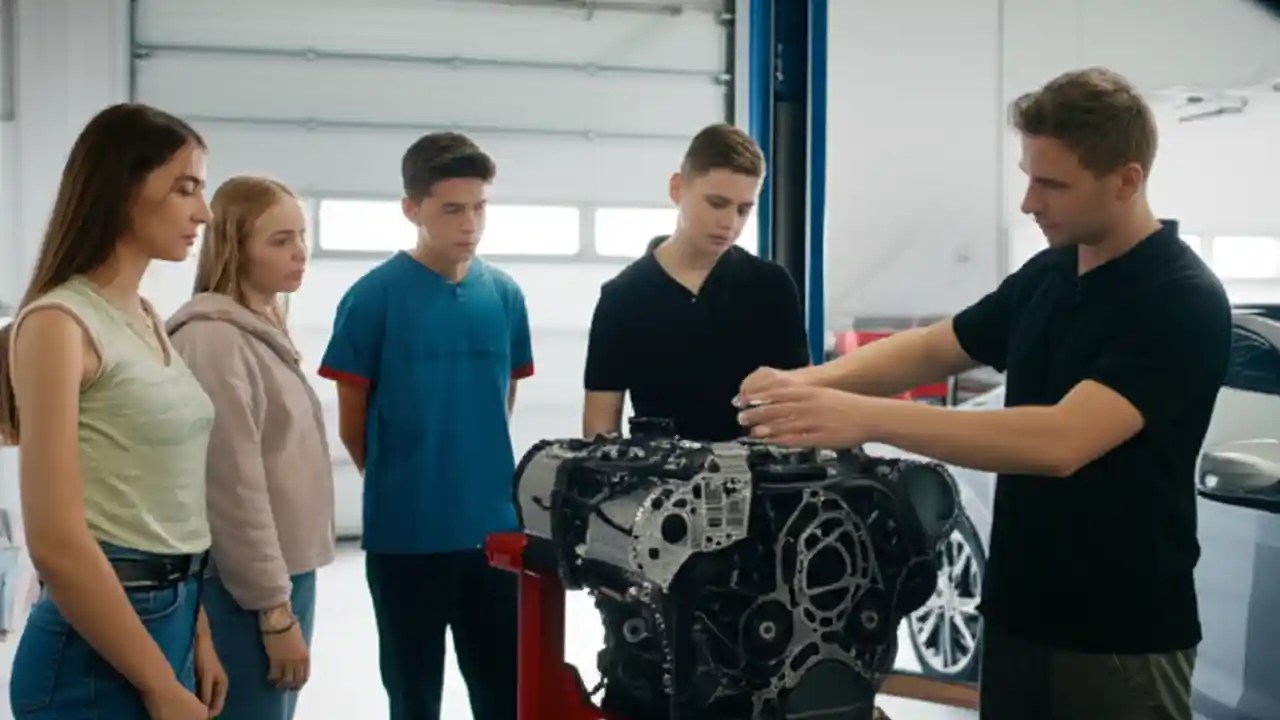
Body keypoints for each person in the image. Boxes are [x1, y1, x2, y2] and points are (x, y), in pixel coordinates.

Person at [736, 67, 1231, 720]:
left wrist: (859, 417)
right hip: (1020, 616)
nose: (1030, 202)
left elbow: (1061, 440)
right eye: (1028, 175)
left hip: (1119, 639)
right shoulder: (1049, 274)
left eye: (1052, 184)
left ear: (1127, 180)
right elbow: (940, 345)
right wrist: (803, 384)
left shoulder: (1179, 299)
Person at [0, 103, 228, 719]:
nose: (203, 212)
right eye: (185, 189)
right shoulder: (58, 323)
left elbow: (163, 500)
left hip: (171, 618)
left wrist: (197, 633)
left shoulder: (147, 316)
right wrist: (157, 682)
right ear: (122, 188)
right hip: (97, 649)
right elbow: (54, 540)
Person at [317, 132, 531, 720]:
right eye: (452, 209)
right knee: (413, 700)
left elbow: (500, 401)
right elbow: (351, 426)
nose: (471, 223)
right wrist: (407, 479)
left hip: (493, 537)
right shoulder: (373, 299)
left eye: (479, 207)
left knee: (504, 695)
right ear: (413, 210)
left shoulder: (506, 296)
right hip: (404, 539)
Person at [167, 175, 337, 719]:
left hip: (279, 576)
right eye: (279, 240)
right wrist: (274, 612)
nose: (300, 252)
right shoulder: (214, 340)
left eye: (302, 236)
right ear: (235, 247)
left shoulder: (258, 328)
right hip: (246, 591)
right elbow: (232, 490)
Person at [582, 122, 810, 442]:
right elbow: (599, 427)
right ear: (677, 188)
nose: (729, 223)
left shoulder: (772, 287)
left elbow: (800, 404)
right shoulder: (621, 297)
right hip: (660, 485)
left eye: (743, 209)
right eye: (717, 203)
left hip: (760, 482)